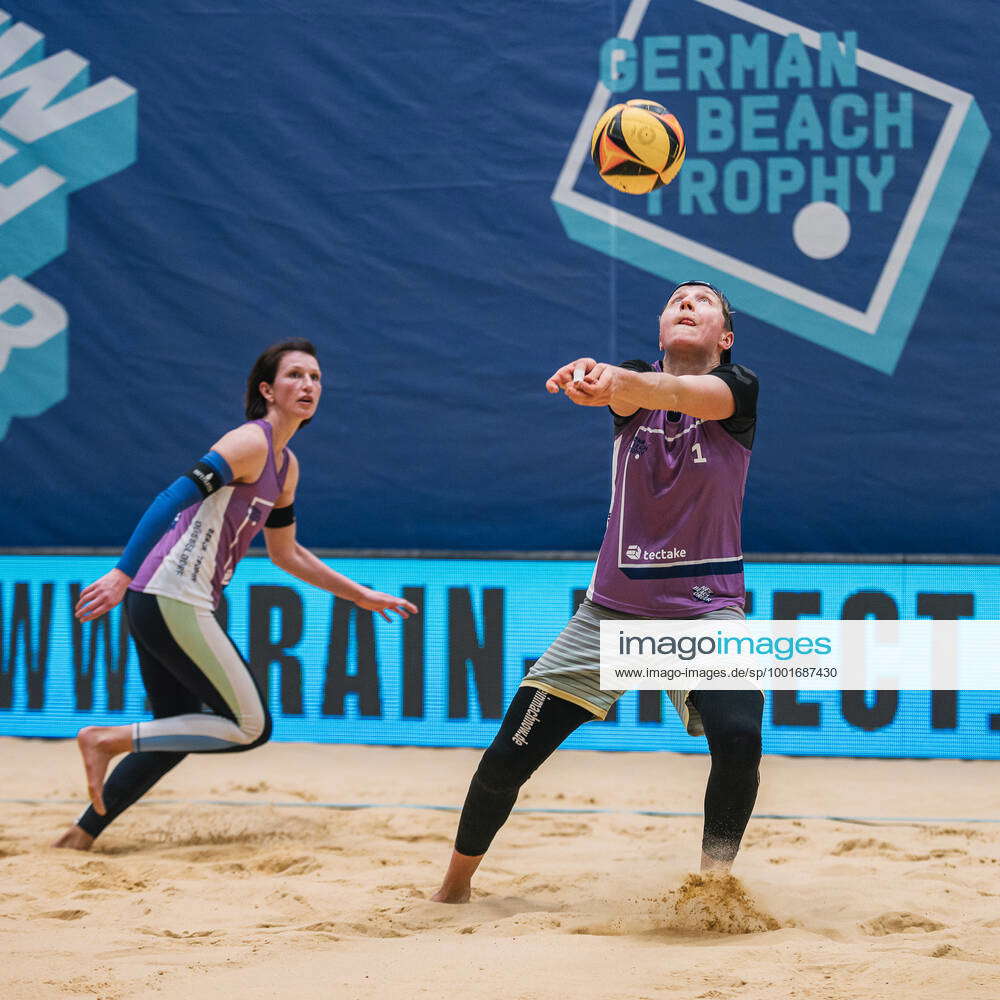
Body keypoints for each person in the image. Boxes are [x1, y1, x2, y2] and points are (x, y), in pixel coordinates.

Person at [433, 281, 761, 902]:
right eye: (676, 300)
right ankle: (453, 888)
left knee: (740, 739)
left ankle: (714, 888)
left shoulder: (738, 389)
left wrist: (610, 377)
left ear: (725, 337)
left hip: (704, 616)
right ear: (660, 328)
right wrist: (596, 379)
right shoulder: (632, 387)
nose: (687, 304)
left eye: (703, 301)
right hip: (609, 614)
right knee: (510, 755)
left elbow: (670, 392)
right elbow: (626, 391)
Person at [54, 338, 418, 850]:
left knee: (175, 732)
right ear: (267, 390)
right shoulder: (249, 442)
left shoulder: (286, 466)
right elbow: (170, 497)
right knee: (250, 725)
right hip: (169, 594)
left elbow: (286, 554)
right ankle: (105, 740)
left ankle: (81, 836)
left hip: (164, 599)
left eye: (315, 377)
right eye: (295, 375)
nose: (308, 385)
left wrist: (359, 595)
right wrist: (120, 572)